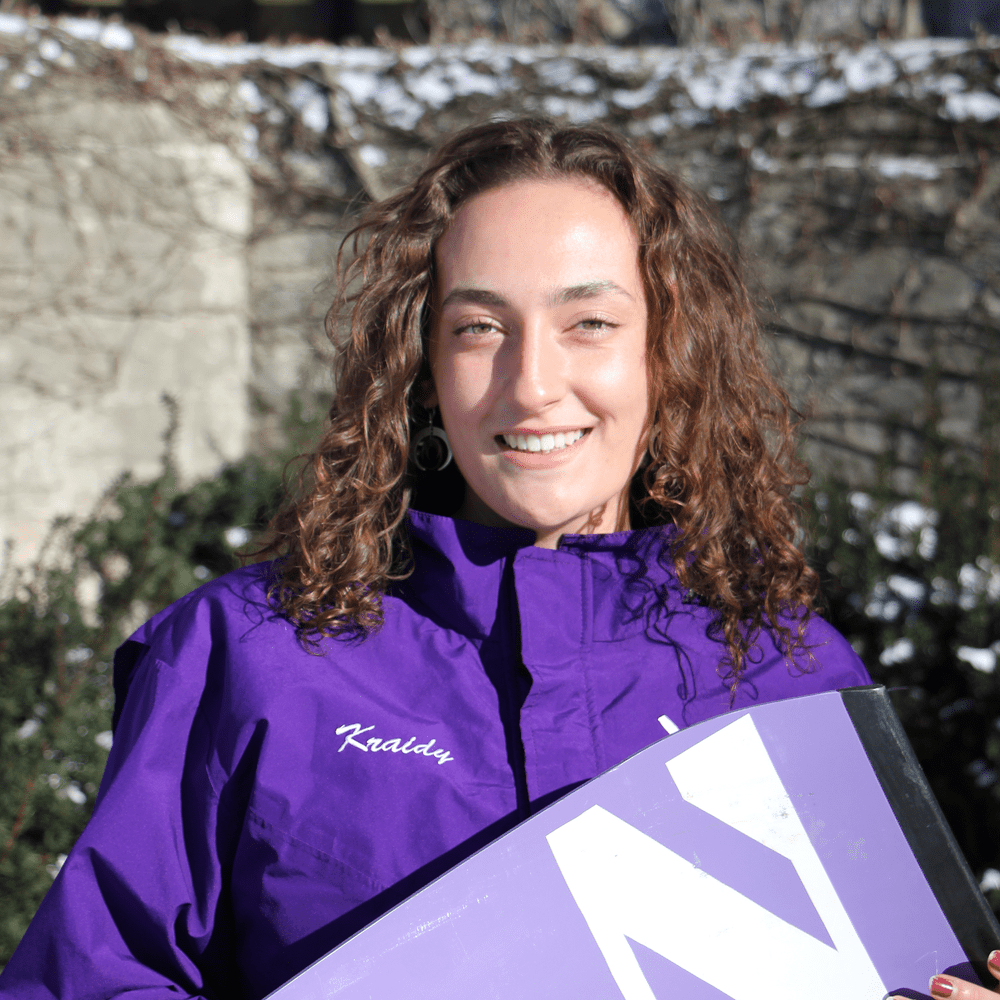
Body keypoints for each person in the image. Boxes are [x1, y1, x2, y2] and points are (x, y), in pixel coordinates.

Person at [3, 116, 931, 999]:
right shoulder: (251, 654)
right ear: (422, 364)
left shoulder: (789, 673)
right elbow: (93, 975)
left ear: (672, 354)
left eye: (591, 324)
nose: (530, 384)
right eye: (480, 327)